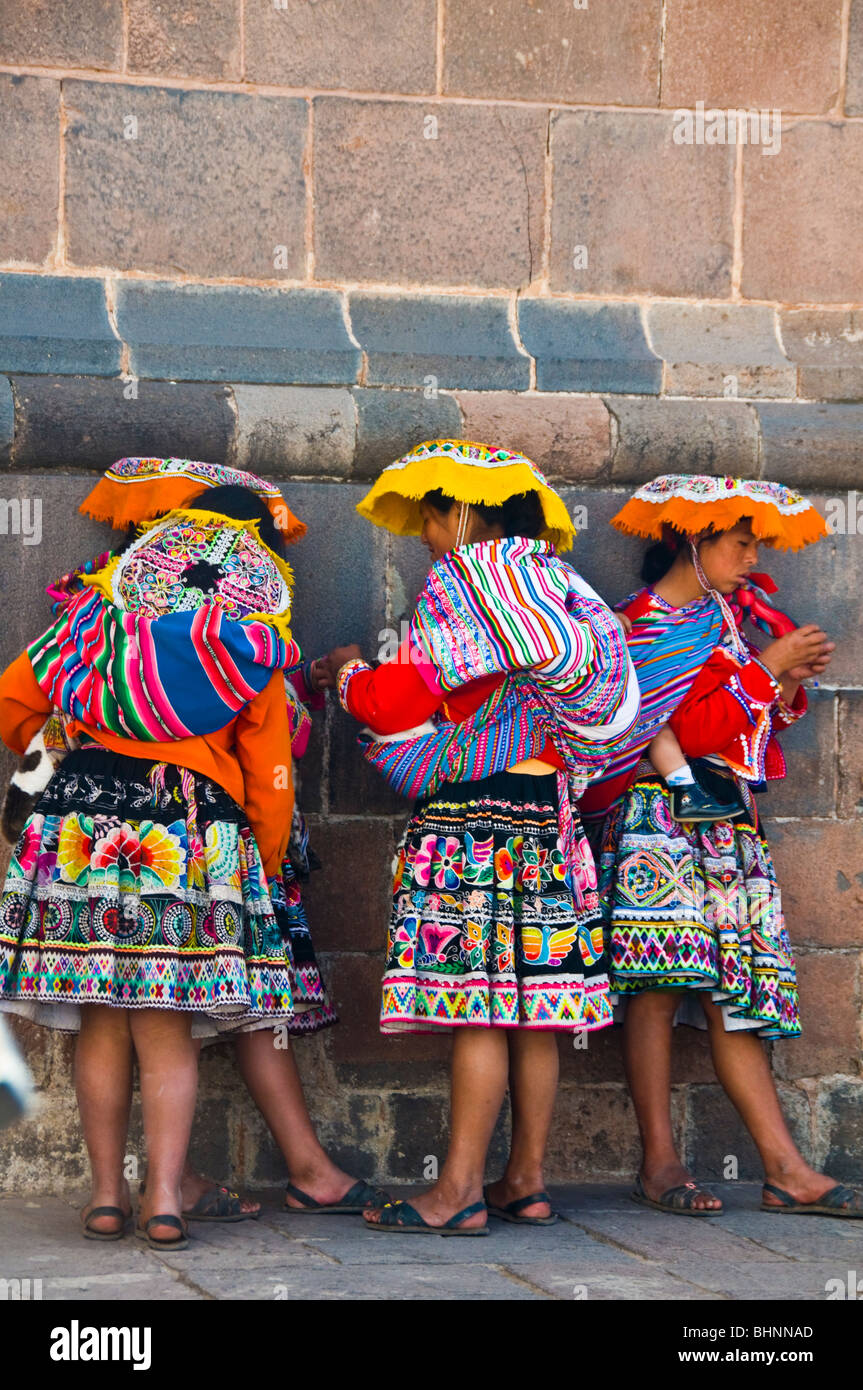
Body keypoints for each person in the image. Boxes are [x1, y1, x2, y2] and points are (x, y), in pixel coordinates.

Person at [0, 458, 379, 1249]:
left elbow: (12, 699)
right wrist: (266, 860)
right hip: (187, 826)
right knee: (165, 1027)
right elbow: (271, 775)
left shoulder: (93, 622)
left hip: (81, 826)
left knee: (101, 1023)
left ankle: (106, 1196)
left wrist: (63, 735)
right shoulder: (251, 645)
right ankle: (164, 1199)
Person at [317, 438, 640, 1235]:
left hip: (475, 820)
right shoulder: (562, 588)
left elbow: (398, 705)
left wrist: (349, 675)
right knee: (536, 1007)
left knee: (479, 1009)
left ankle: (454, 1189)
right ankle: (523, 1180)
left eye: (430, 519)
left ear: (458, 514)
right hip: (547, 817)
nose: (425, 537)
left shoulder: (462, 588)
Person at [582, 473, 863, 1218]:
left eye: (754, 544)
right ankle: (659, 1162)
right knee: (655, 985)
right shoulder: (629, 630)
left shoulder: (724, 623)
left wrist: (780, 681)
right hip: (658, 820)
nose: (750, 556)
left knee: (729, 991)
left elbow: (734, 727)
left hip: (725, 819)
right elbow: (659, 734)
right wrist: (763, 670)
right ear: (691, 541)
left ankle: (783, 1168)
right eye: (739, 543)